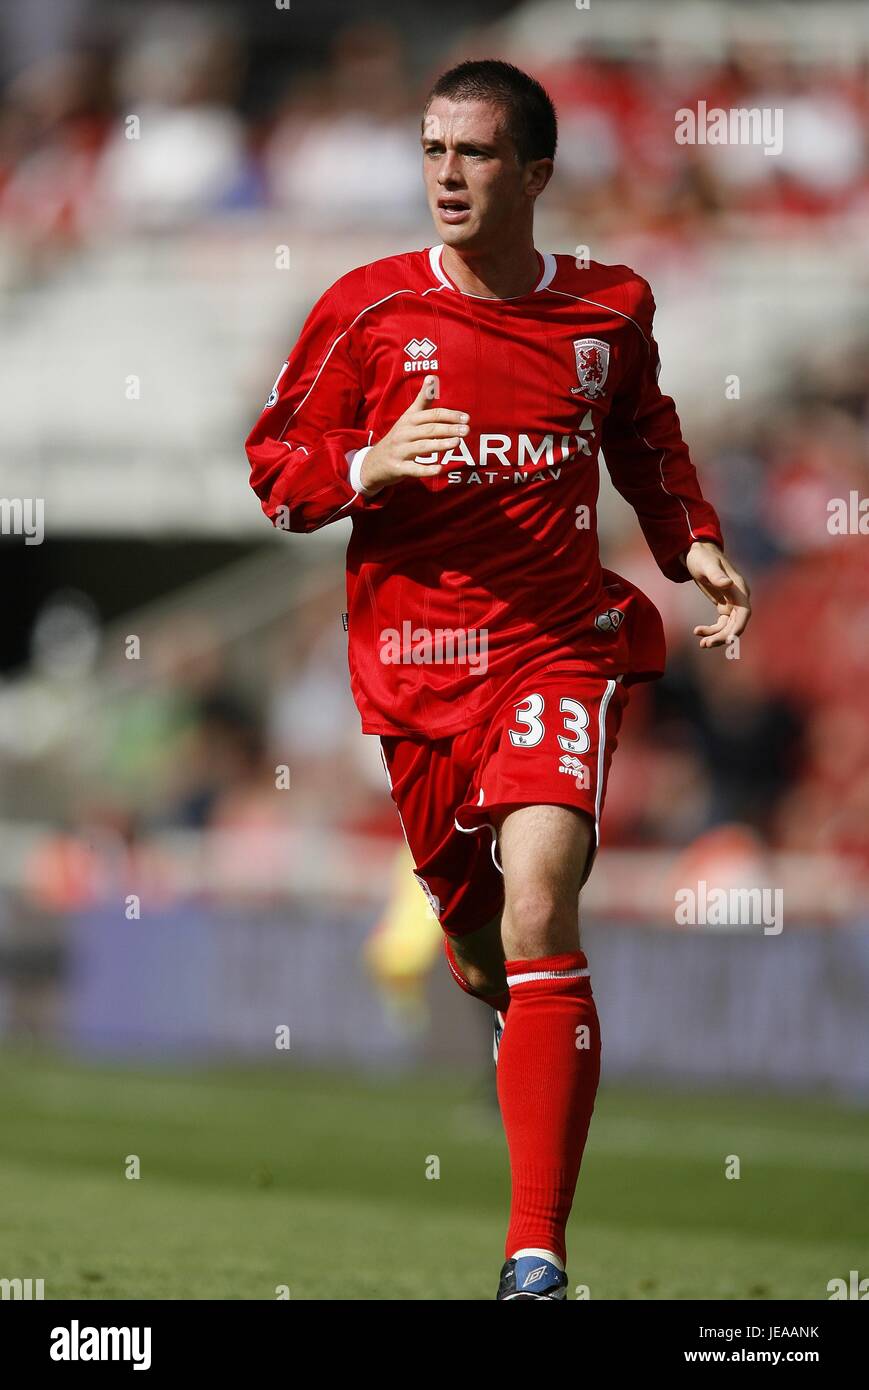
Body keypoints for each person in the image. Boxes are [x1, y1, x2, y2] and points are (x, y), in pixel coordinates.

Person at [245, 59, 751, 1301]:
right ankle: (512, 1015)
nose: (446, 176)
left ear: (532, 173)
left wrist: (689, 541)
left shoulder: (606, 310)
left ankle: (535, 1253)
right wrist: (366, 462)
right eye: (430, 152)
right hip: (414, 671)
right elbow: (275, 463)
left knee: (539, 905)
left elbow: (640, 432)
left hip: (555, 646)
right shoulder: (367, 312)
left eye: (471, 154)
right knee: (481, 950)